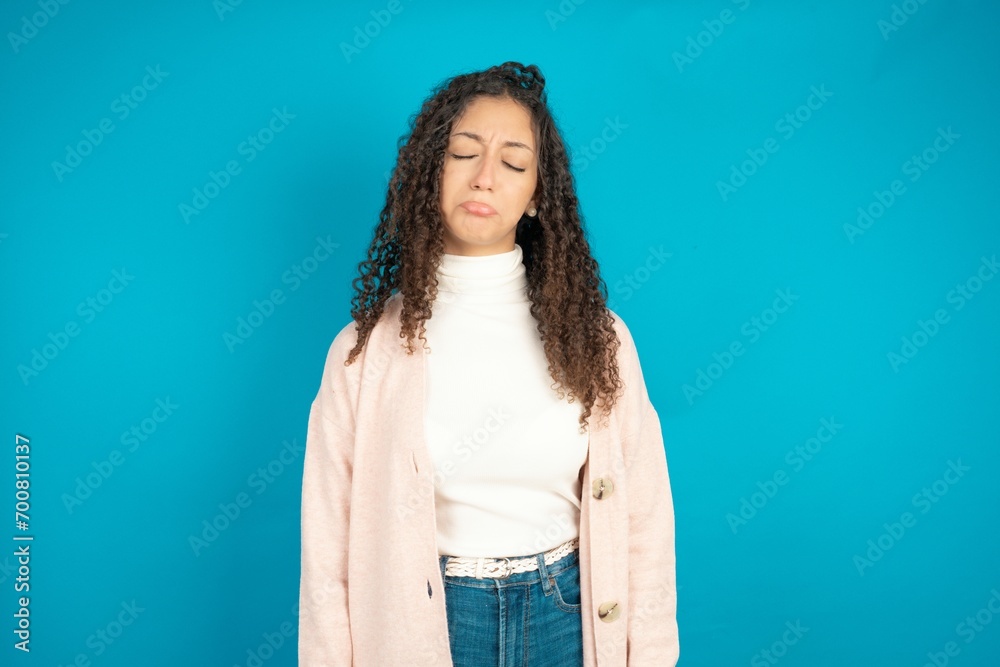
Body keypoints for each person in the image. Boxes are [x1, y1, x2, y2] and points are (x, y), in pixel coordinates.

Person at [298, 61, 678, 666]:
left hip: (569, 619)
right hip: (425, 621)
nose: (483, 178)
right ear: (430, 172)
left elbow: (646, 519)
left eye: (513, 163)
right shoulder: (362, 353)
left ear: (536, 196)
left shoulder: (597, 338)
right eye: (464, 153)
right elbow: (326, 557)